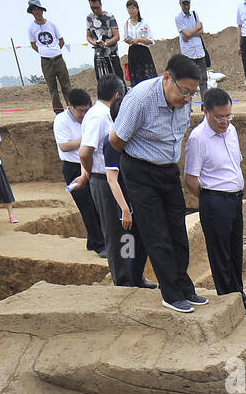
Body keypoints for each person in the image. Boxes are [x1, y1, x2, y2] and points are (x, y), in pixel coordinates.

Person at [109, 54, 204, 312]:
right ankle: (171, 294)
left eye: (192, 94)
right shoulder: (140, 100)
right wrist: (140, 159)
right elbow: (116, 140)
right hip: (140, 172)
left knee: (178, 231)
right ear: (166, 78)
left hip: (168, 171)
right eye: (184, 92)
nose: (187, 99)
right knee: (156, 234)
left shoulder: (185, 101)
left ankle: (185, 288)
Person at [185, 87, 246, 310]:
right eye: (220, 117)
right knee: (221, 256)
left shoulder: (232, 131)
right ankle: (229, 303)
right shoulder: (198, 139)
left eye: (228, 116)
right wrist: (209, 199)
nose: (225, 121)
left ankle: (239, 296)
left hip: (235, 200)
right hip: (215, 201)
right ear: (205, 111)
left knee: (236, 252)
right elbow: (190, 178)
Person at [96, 92, 156, 289]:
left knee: (141, 243)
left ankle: (138, 277)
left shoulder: (130, 139)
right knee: (128, 245)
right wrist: (124, 209)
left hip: (138, 200)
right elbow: (112, 180)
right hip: (125, 203)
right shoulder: (112, 143)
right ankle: (131, 281)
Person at [74, 75, 124, 275]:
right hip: (103, 180)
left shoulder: (106, 113)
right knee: (113, 230)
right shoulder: (98, 116)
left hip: (115, 178)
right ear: (117, 94)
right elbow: (85, 152)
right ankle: (122, 277)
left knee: (125, 229)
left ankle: (132, 272)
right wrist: (88, 172)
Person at [55, 88, 106, 256]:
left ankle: (93, 241)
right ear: (70, 106)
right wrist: (88, 138)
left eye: (87, 110)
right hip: (73, 167)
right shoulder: (61, 120)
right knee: (87, 207)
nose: (84, 114)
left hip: (90, 165)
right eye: (80, 111)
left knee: (97, 204)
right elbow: (64, 145)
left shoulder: (90, 118)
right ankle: (99, 245)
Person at [27, 0, 69, 113]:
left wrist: (54, 50)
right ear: (31, 12)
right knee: (52, 88)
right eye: (34, 10)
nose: (37, 12)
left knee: (66, 85)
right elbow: (33, 44)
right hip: (45, 61)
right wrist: (43, 51)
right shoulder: (31, 28)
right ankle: (58, 112)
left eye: (38, 9)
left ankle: (72, 108)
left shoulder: (51, 24)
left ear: (42, 10)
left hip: (58, 58)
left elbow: (61, 40)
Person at [175, 0, 209, 101]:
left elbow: (200, 31)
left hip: (199, 50)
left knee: (203, 78)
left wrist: (190, 33)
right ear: (180, 4)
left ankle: (205, 102)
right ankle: (188, 103)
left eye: (187, 3)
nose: (186, 6)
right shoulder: (178, 18)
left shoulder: (195, 14)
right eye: (184, 4)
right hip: (188, 53)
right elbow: (188, 33)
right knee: (188, 79)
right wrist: (195, 29)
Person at [86, 0, 122, 83]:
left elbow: (117, 36)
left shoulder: (109, 17)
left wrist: (106, 44)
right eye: (92, 8)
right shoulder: (89, 18)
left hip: (111, 53)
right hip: (98, 55)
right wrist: (94, 43)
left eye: (97, 8)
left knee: (117, 79)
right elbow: (88, 35)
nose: (95, 10)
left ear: (101, 5)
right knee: (102, 81)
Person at [124, 0, 157, 86]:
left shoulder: (144, 23)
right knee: (135, 76)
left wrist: (138, 39)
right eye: (129, 8)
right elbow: (125, 37)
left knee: (147, 76)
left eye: (133, 8)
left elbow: (151, 40)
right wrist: (128, 40)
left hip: (143, 51)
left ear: (137, 9)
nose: (131, 10)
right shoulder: (127, 23)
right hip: (132, 52)